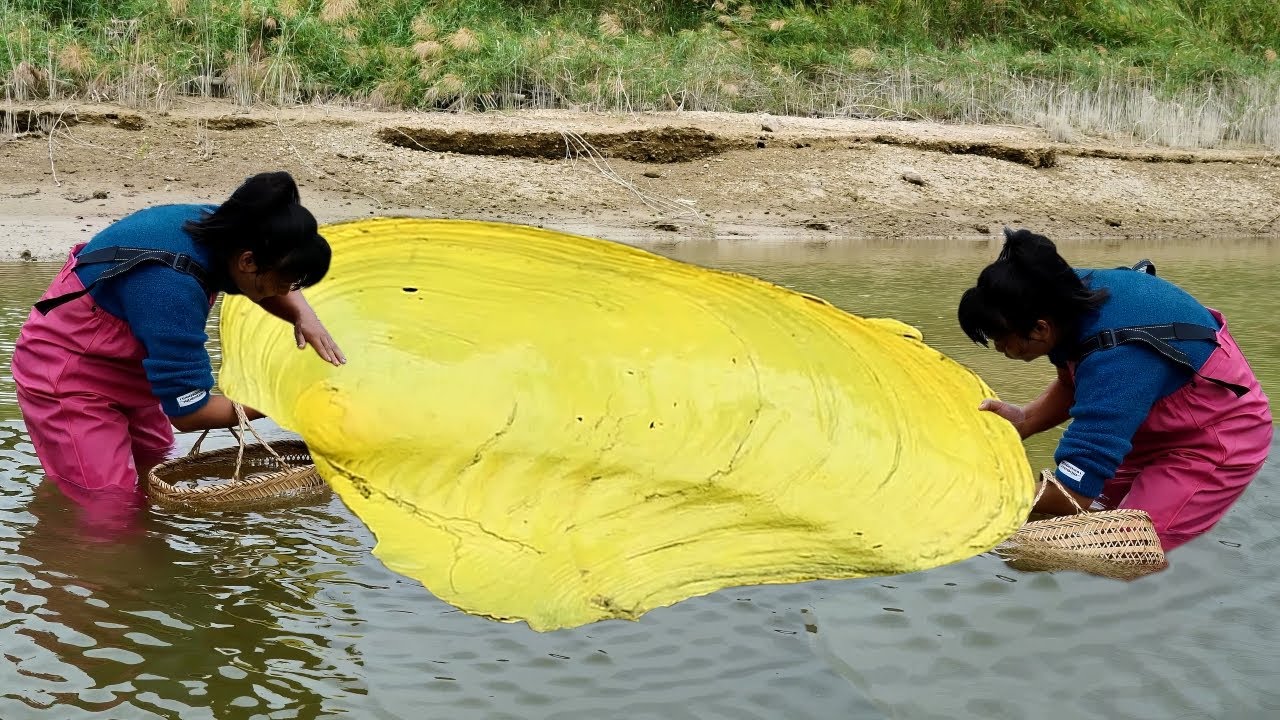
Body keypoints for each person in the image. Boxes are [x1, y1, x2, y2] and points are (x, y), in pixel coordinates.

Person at [10, 170, 346, 511]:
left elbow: (269, 274)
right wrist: (283, 402)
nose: (287, 293)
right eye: (284, 283)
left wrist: (304, 316)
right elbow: (190, 413)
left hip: (128, 367)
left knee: (156, 463)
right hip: (66, 374)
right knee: (108, 505)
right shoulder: (170, 288)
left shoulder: (232, 227)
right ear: (248, 261)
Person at [958, 228, 1272, 551]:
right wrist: (1024, 420)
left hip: (1215, 437)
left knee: (1120, 552)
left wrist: (985, 492)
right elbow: (1072, 382)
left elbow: (1072, 495)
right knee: (1044, 525)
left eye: (1001, 338)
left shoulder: (1116, 358)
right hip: (1150, 422)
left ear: (1040, 329)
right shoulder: (1060, 298)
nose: (999, 348)